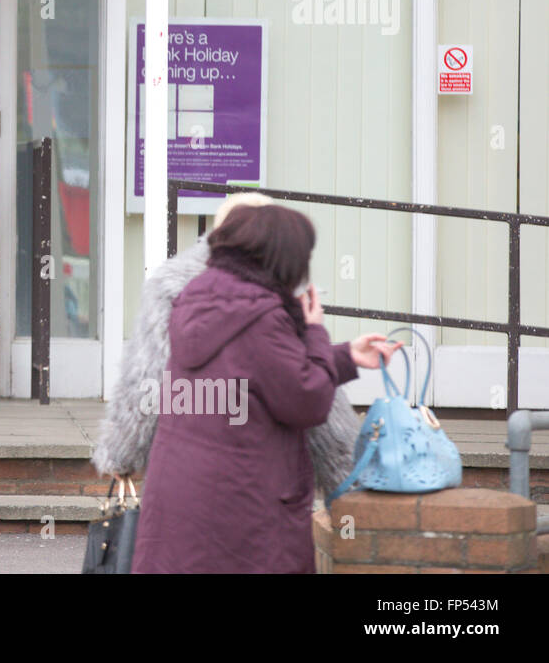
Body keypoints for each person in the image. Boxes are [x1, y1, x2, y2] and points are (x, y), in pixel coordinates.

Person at [130, 204, 400, 573]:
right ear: (282, 257)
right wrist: (316, 332)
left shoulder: (198, 299)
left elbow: (268, 372)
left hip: (182, 497)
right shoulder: (261, 316)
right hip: (243, 503)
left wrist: (347, 357)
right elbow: (306, 400)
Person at [92, 192, 363, 500]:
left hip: (181, 473)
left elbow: (147, 381)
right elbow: (309, 387)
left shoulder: (172, 286)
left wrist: (121, 453)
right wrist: (344, 478)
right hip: (265, 479)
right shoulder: (285, 289)